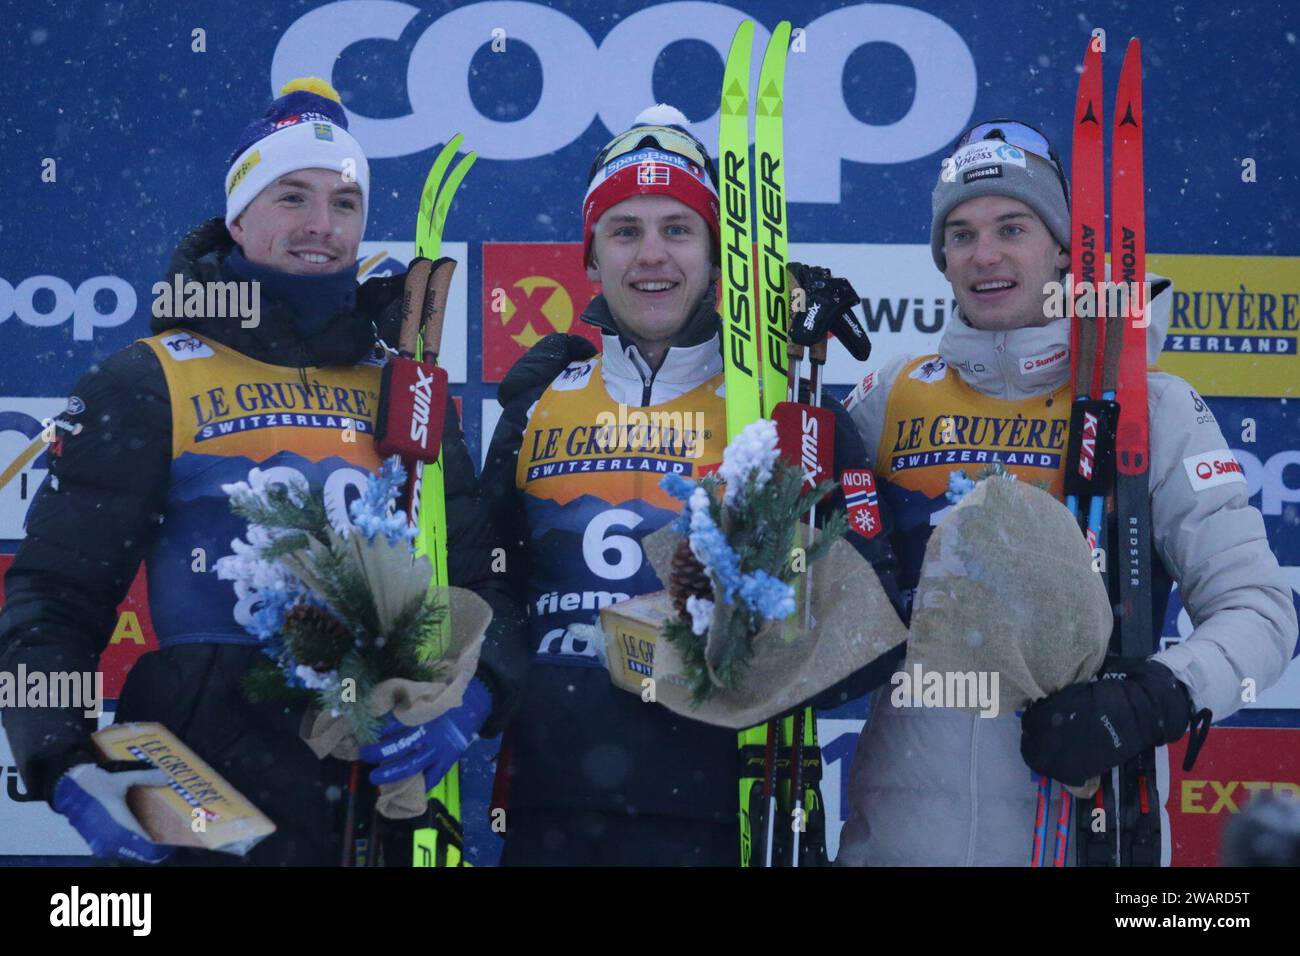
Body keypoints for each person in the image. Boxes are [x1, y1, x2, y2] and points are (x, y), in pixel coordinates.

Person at [0, 79, 523, 865]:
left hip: (368, 799)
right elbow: (54, 597)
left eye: (345, 204)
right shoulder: (148, 380)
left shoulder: (409, 390)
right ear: (239, 217)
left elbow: (486, 579)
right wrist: (63, 761)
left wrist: (472, 700)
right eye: (292, 197)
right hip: (208, 793)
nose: (321, 226)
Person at [835, 120, 1297, 866]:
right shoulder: (890, 397)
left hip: (1090, 831)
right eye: (960, 233)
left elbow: (1264, 617)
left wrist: (1155, 698)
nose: (985, 254)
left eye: (1011, 227)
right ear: (941, 258)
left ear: (1060, 247)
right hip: (899, 836)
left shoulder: (1150, 405)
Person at [480, 106, 901, 866]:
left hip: (732, 807)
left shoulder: (786, 406)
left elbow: (876, 620)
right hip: (552, 805)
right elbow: (485, 589)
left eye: (678, 229)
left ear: (715, 255)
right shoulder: (538, 401)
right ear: (591, 256)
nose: (652, 256)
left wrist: (775, 641)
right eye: (625, 229)